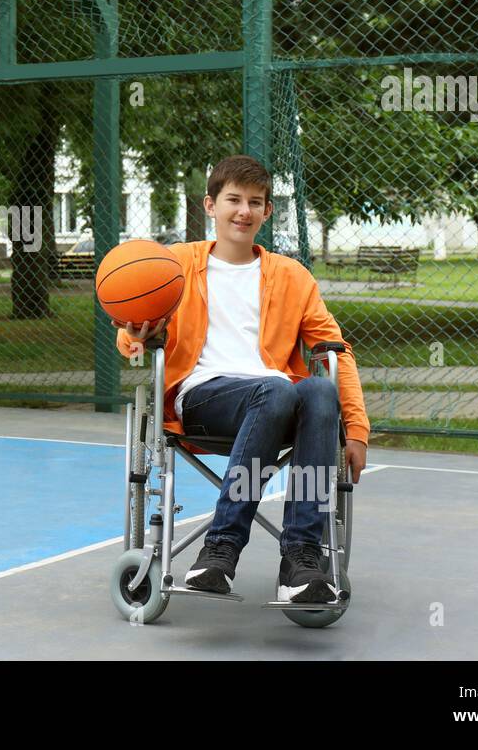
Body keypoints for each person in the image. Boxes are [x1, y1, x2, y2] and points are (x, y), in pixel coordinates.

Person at [116, 155, 370, 604]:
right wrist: (136, 335)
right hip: (203, 400)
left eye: (255, 202)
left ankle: (301, 557)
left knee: (318, 389)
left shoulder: (292, 276)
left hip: (276, 401)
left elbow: (336, 351)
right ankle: (223, 546)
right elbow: (136, 326)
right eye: (233, 200)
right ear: (210, 205)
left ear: (267, 212)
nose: (244, 211)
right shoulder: (174, 266)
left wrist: (357, 429)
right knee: (274, 389)